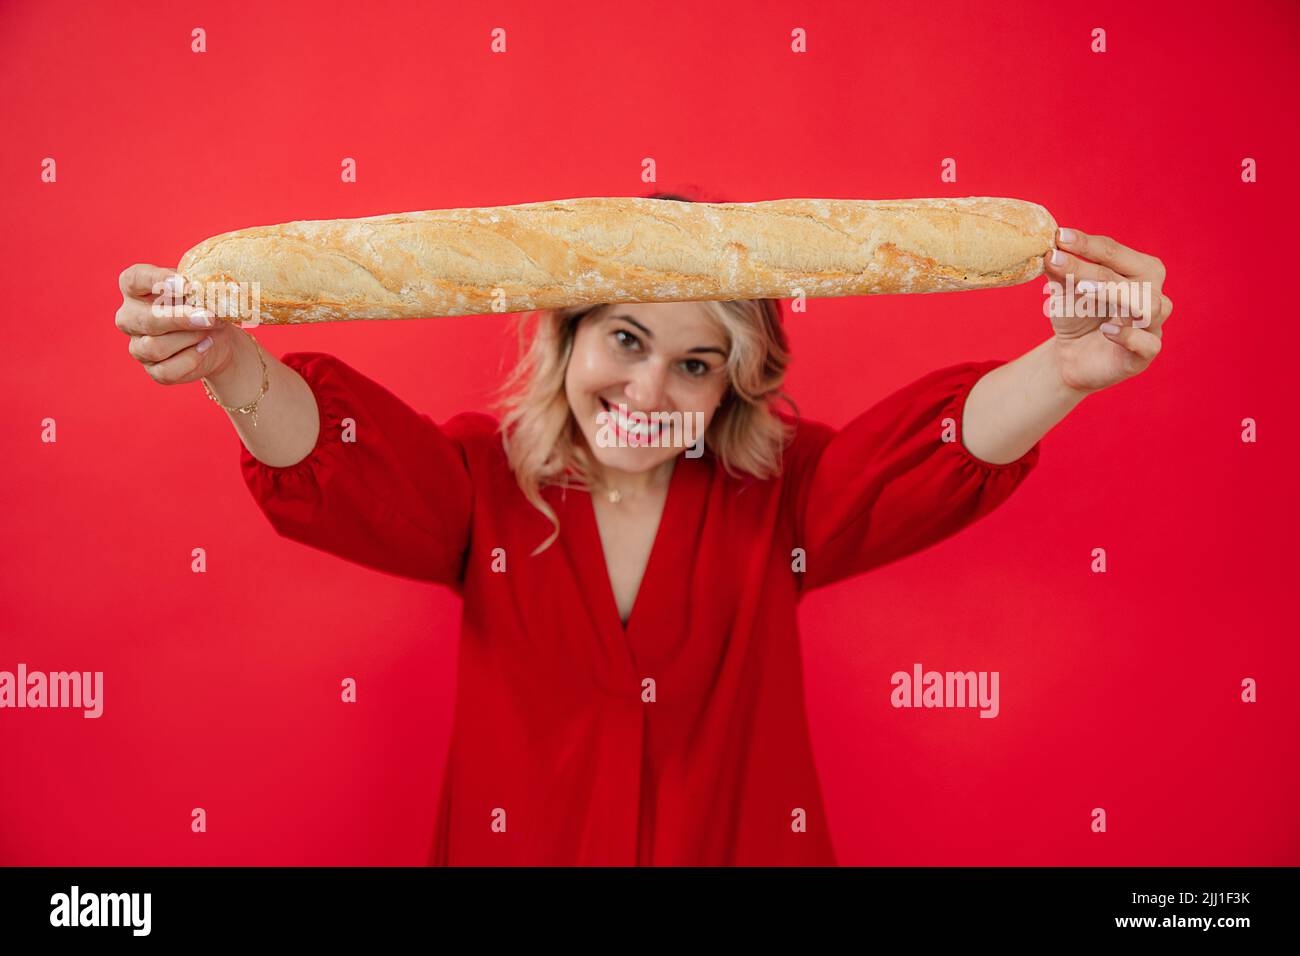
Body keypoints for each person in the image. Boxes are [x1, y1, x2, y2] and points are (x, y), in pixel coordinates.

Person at [115, 193, 1172, 865]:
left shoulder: (781, 495)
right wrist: (228, 363)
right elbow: (340, 456)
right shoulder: (479, 482)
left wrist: (1066, 366)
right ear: (565, 337)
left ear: (734, 384)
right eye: (623, 337)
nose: (646, 387)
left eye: (695, 361)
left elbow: (935, 452)